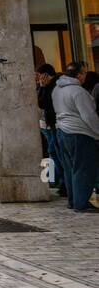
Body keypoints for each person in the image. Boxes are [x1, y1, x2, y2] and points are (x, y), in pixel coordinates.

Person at [51, 62, 99, 212]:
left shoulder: (57, 90)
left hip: (62, 132)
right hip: (79, 133)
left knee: (70, 168)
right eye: (84, 73)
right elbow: (89, 115)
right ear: (79, 75)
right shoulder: (78, 91)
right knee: (83, 168)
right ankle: (81, 203)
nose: (85, 76)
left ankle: (73, 200)